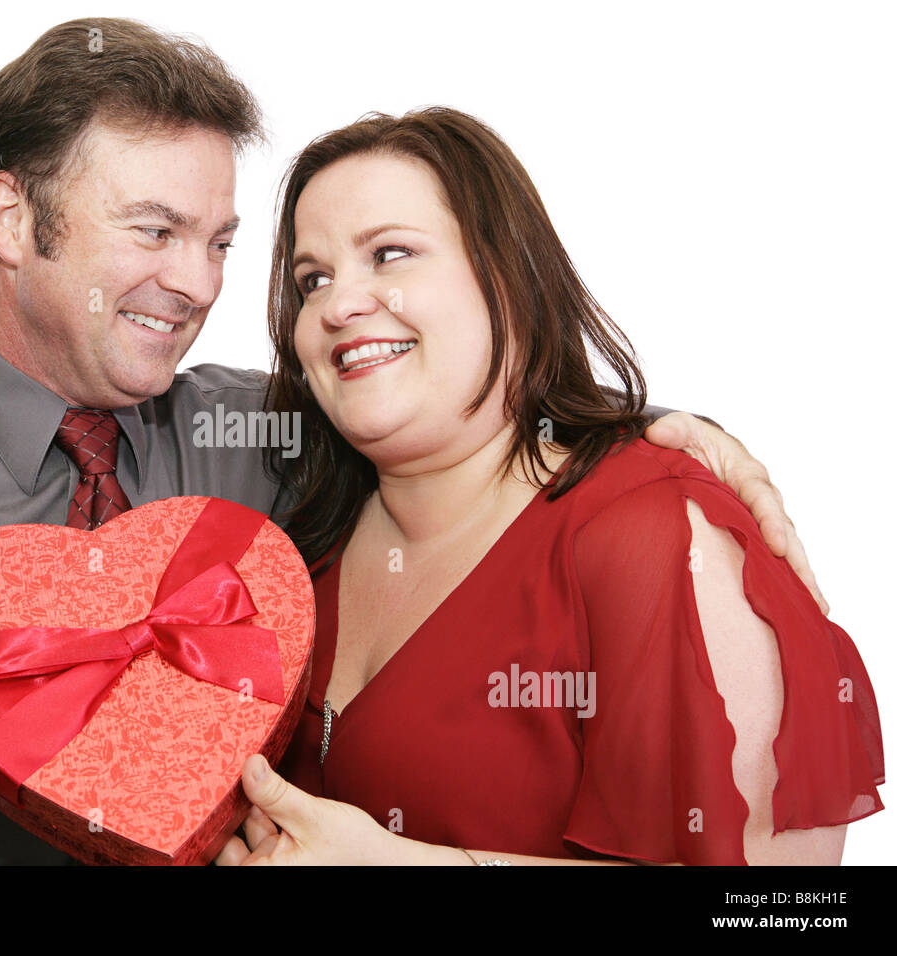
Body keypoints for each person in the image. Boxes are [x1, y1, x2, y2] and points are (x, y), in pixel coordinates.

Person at [0, 21, 817, 866]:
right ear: (13, 217)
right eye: (155, 230)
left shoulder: (277, 436)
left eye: (224, 243)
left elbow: (451, 407)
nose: (194, 285)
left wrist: (639, 424)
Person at [217, 108, 884, 866]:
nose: (338, 305)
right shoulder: (298, 541)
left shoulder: (657, 534)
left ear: (509, 276)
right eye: (314, 279)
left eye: (392, 253)